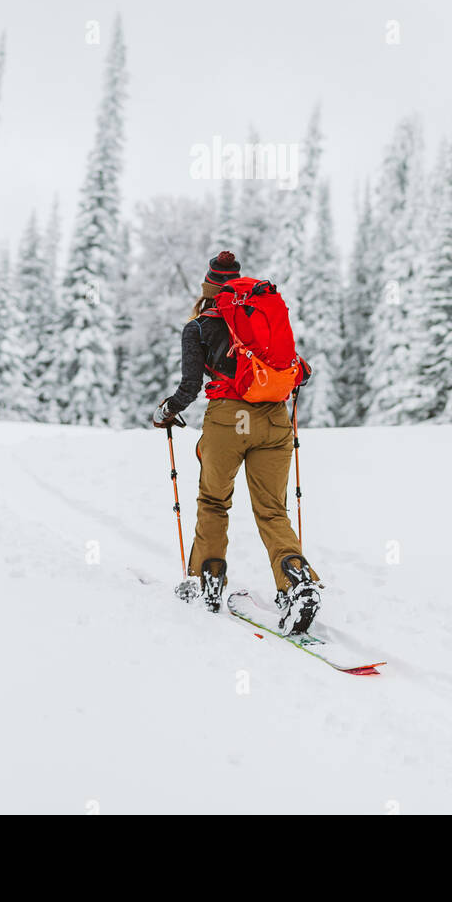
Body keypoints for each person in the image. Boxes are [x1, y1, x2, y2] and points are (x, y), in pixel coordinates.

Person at [153, 250, 323, 635]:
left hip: (228, 421)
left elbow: (190, 388)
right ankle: (296, 581)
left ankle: (207, 581)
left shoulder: (198, 327)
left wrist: (167, 410)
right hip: (274, 419)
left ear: (209, 287)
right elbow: (298, 372)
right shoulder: (260, 314)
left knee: (214, 500)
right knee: (273, 511)